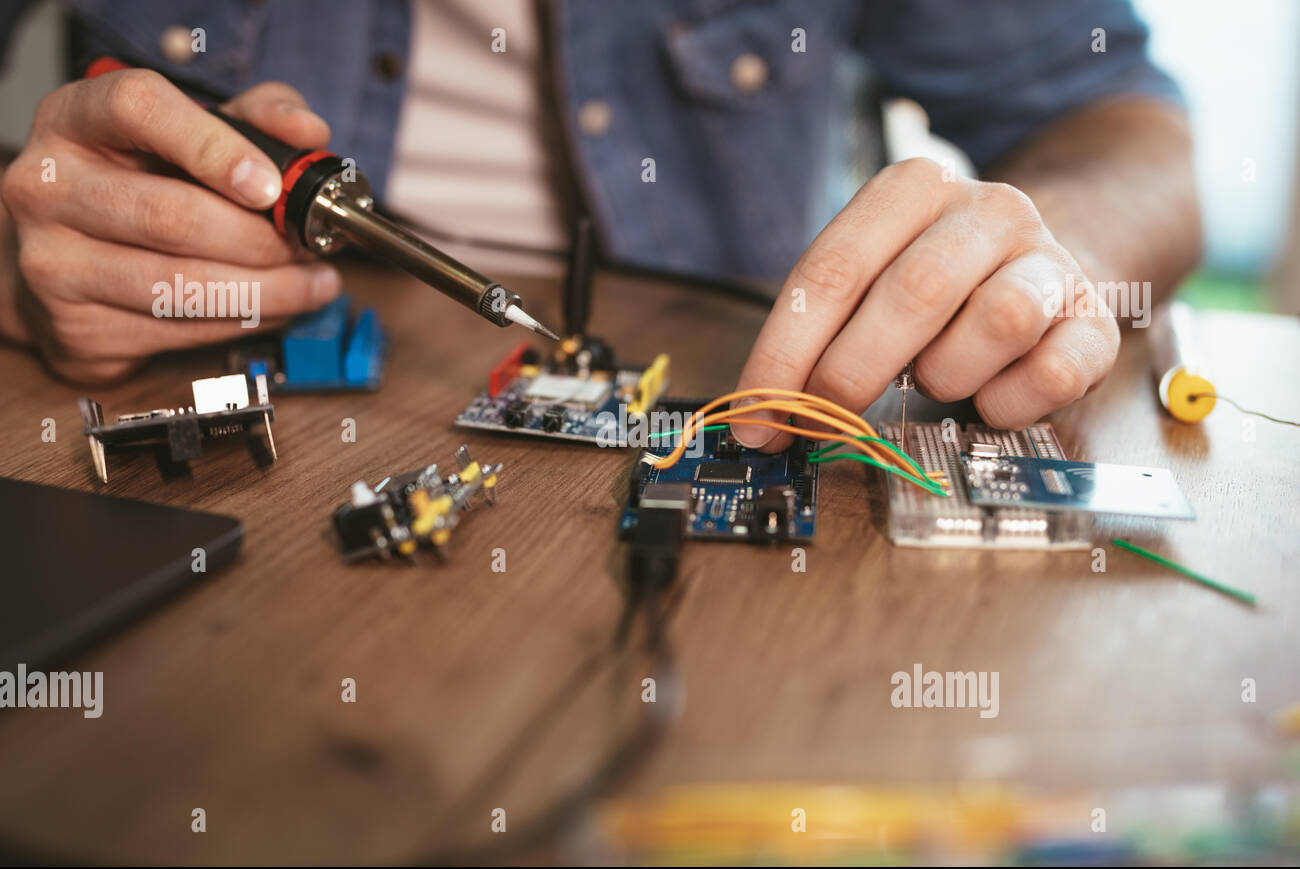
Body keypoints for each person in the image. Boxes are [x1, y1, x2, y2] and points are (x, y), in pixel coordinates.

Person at [0, 0, 1199, 447]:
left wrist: (1059, 258)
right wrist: (19, 249)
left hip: (735, 441)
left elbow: (1121, 117)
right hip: (250, 429)